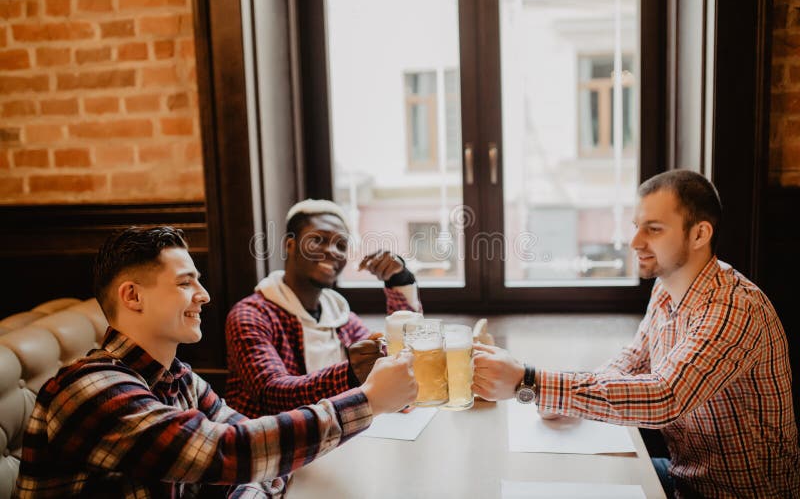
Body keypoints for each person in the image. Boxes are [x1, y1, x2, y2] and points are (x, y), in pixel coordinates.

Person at [14, 226, 417, 498]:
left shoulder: (180, 380)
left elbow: (253, 458)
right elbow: (229, 451)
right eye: (185, 282)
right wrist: (368, 400)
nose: (204, 295)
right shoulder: (89, 390)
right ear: (133, 297)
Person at [472, 170, 799, 499]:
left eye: (653, 229)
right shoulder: (668, 286)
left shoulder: (734, 308)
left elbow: (665, 397)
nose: (635, 242)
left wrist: (530, 382)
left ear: (699, 234)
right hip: (682, 478)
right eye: (636, 227)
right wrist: (562, 400)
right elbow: (634, 359)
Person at [225, 199, 422, 417]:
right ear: (289, 245)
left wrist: (400, 280)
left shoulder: (340, 316)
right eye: (318, 240)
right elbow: (272, 395)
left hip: (334, 440)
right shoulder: (251, 315)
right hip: (268, 446)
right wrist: (351, 373)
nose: (332, 251)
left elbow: (397, 360)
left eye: (341, 245)